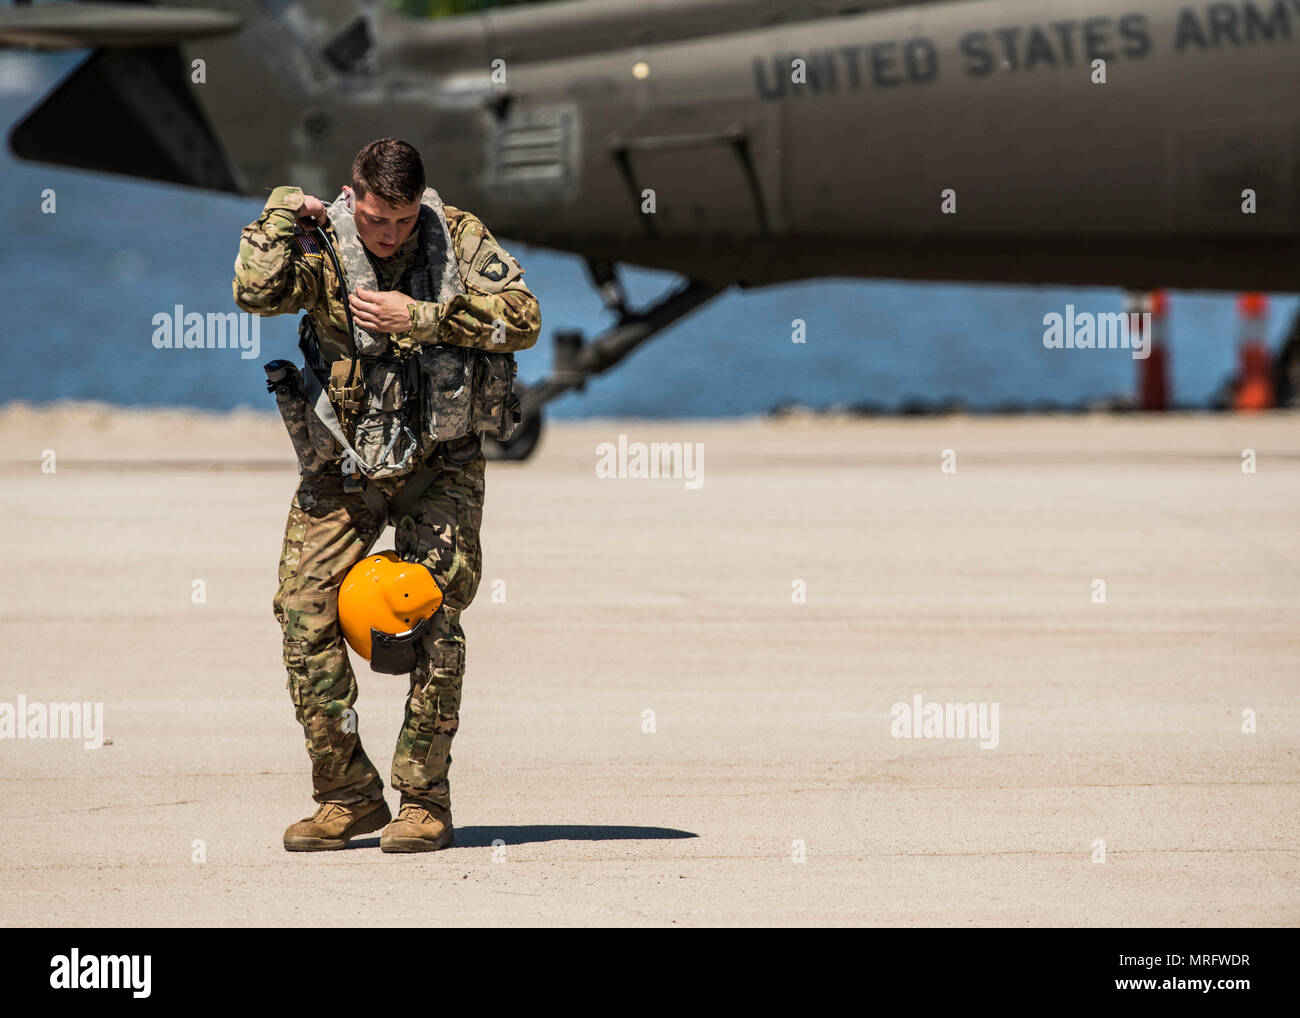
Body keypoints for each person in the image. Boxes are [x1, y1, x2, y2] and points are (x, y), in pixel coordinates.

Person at [232, 137, 540, 852]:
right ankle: (347, 796)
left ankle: (424, 800)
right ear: (353, 197)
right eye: (376, 220)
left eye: (402, 222)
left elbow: (523, 319)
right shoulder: (323, 244)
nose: (390, 235)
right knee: (303, 613)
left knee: (431, 613)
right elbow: (253, 291)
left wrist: (424, 317)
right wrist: (281, 211)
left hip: (442, 463)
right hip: (343, 465)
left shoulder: (457, 236)